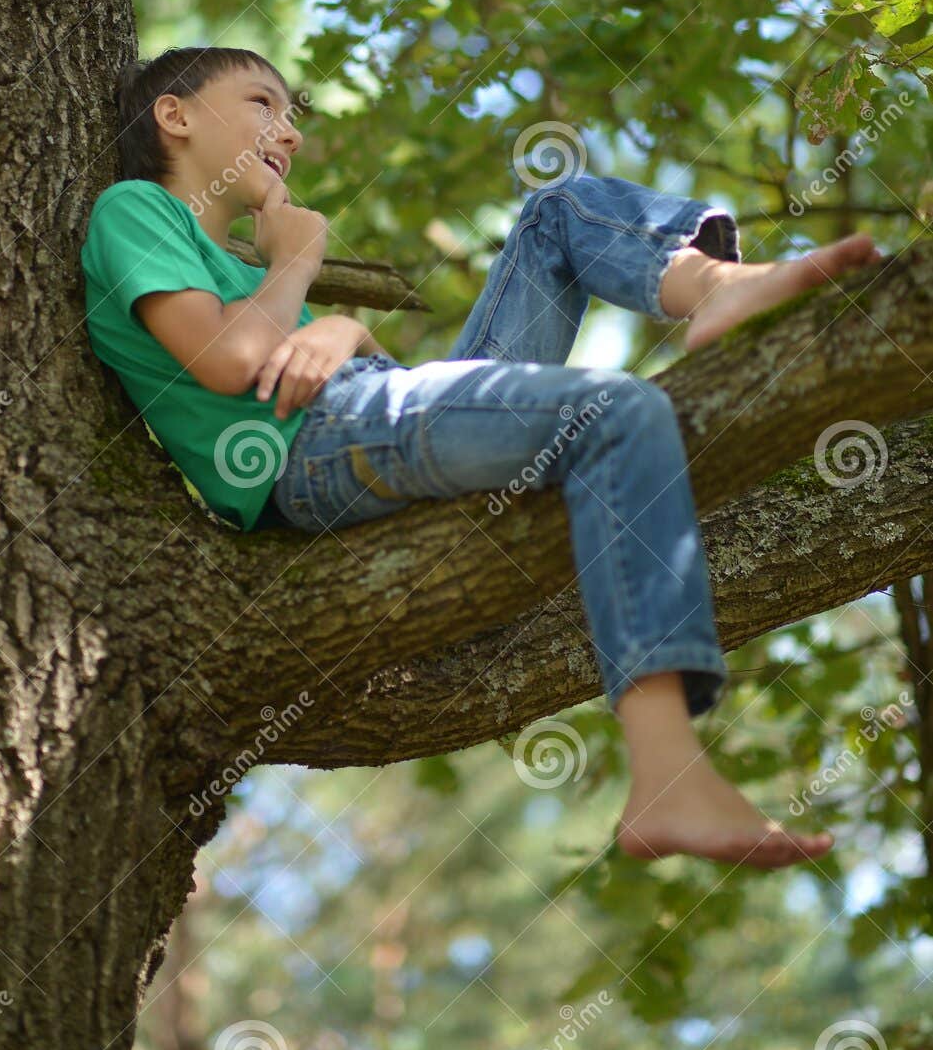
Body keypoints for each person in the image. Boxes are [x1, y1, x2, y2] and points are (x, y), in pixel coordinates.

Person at [81, 46, 884, 870]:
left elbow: (349, 371)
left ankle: (712, 285)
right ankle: (666, 770)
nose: (286, 132)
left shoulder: (233, 266)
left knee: (560, 208)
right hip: (309, 451)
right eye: (262, 104)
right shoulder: (135, 210)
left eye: (293, 117)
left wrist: (343, 326)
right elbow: (226, 360)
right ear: (174, 117)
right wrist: (299, 259)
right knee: (618, 411)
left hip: (366, 413)